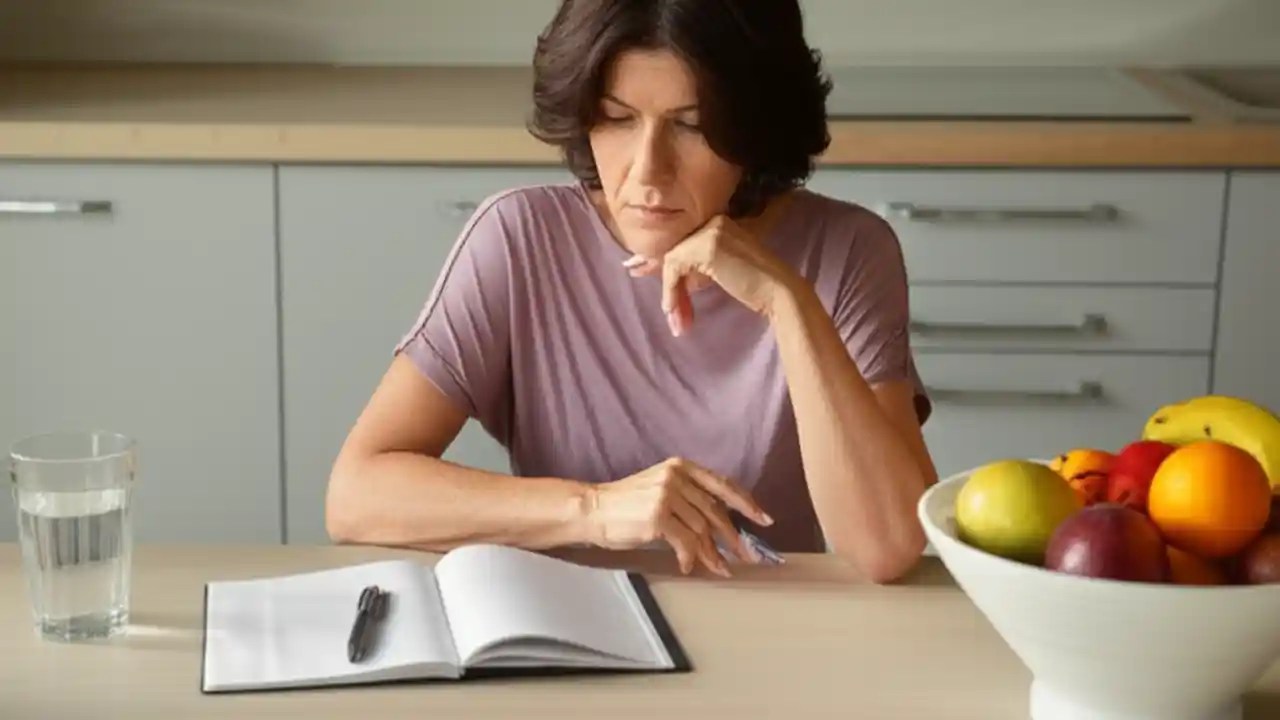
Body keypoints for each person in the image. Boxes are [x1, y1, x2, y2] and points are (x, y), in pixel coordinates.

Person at [326, 0, 939, 584]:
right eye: (618, 119)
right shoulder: (521, 239)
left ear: (753, 129)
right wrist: (592, 509)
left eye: (692, 126)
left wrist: (787, 301)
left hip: (772, 640)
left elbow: (886, 547)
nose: (647, 171)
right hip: (574, 636)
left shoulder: (850, 251)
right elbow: (356, 496)